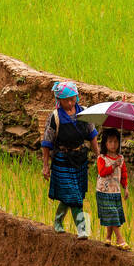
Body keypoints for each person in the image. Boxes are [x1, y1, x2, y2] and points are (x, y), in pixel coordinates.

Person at [41, 80, 99, 239]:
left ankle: (58, 220)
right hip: (62, 160)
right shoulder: (55, 117)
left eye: (73, 98)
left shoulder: (84, 114)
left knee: (74, 195)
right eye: (66, 100)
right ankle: (82, 230)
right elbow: (47, 142)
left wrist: (99, 157)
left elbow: (92, 136)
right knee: (73, 195)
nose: (70, 102)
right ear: (58, 100)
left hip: (80, 159)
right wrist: (45, 166)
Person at [95, 127, 129, 249]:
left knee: (112, 214)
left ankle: (108, 238)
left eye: (115, 142)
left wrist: (125, 187)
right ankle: (120, 240)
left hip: (115, 192)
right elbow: (102, 172)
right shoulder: (102, 158)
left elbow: (123, 174)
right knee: (113, 214)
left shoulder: (121, 158)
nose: (113, 144)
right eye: (110, 142)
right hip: (103, 191)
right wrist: (114, 165)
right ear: (105, 143)